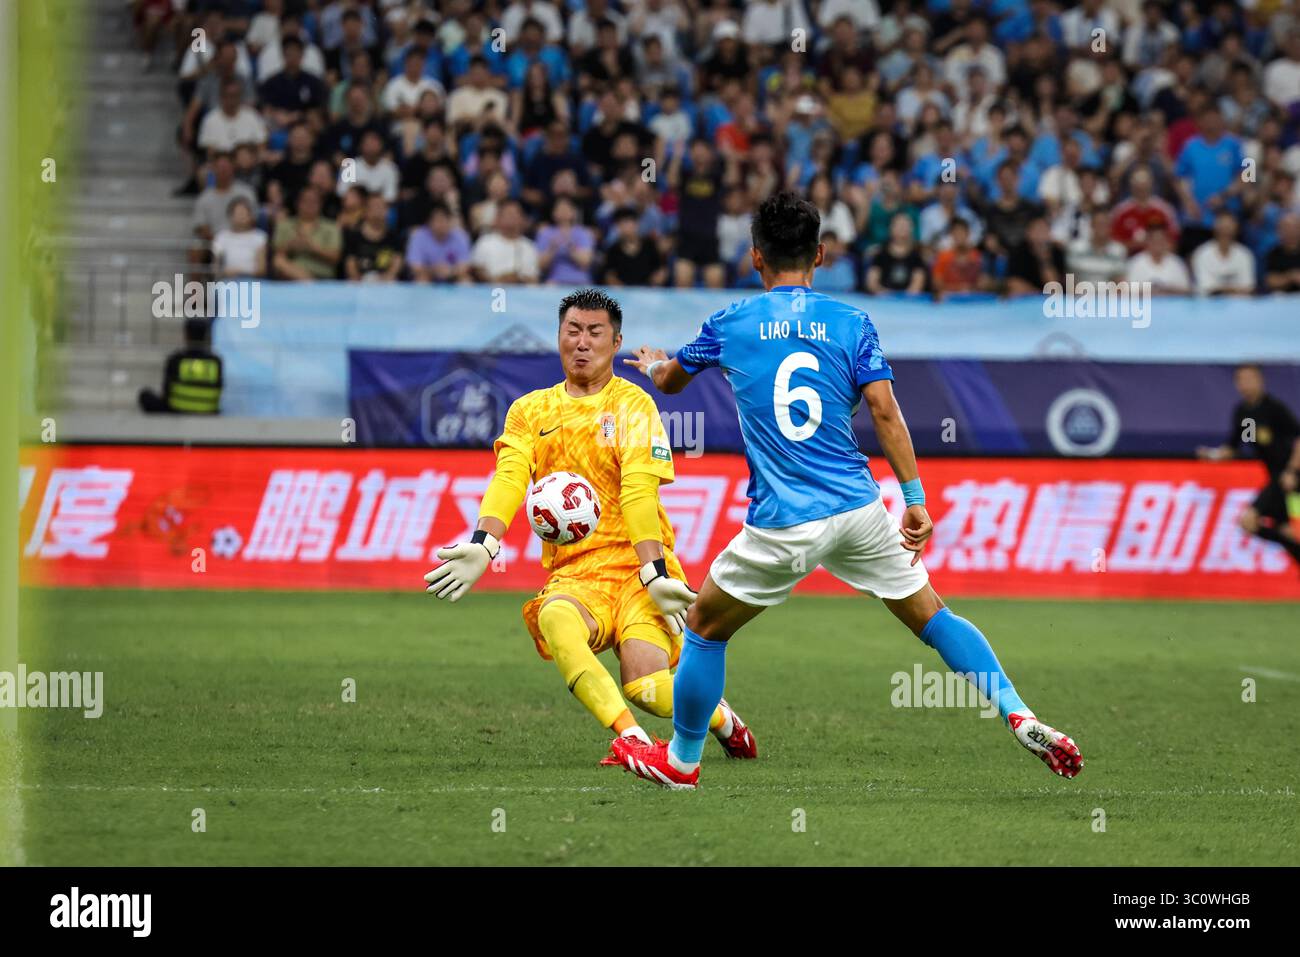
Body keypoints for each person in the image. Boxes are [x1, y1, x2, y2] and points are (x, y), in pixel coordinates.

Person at [609, 192, 1083, 789]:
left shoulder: (731, 323)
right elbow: (885, 410)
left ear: (755, 258)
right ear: (822, 255)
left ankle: (680, 761)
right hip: (858, 509)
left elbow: (673, 382)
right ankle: (1019, 711)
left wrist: (655, 365)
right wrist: (915, 500)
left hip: (783, 519)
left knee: (704, 627)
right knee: (933, 617)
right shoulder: (852, 322)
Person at [424, 289, 756, 761]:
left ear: (616, 341)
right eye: (572, 331)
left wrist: (655, 573)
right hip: (577, 575)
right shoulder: (529, 411)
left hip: (638, 570)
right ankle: (630, 738)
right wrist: (485, 543)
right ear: (559, 337)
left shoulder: (634, 406)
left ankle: (721, 717)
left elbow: (639, 492)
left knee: (646, 687)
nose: (582, 342)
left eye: (595, 332)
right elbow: (510, 476)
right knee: (554, 616)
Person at [1197, 364, 1300, 570]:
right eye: (1241, 380)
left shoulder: (1273, 408)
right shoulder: (1244, 413)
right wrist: (1213, 455)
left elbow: (1298, 439)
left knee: (1249, 520)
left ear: (1261, 381)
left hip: (1287, 476)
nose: (1246, 384)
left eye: (1250, 379)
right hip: (1274, 478)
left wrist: (1292, 471)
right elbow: (1238, 446)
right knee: (1282, 529)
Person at [138, 318, 223, 415]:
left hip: (176, 409)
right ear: (206, 336)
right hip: (208, 410)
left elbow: (167, 391)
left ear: (186, 335)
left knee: (145, 395)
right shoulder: (216, 362)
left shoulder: (176, 359)